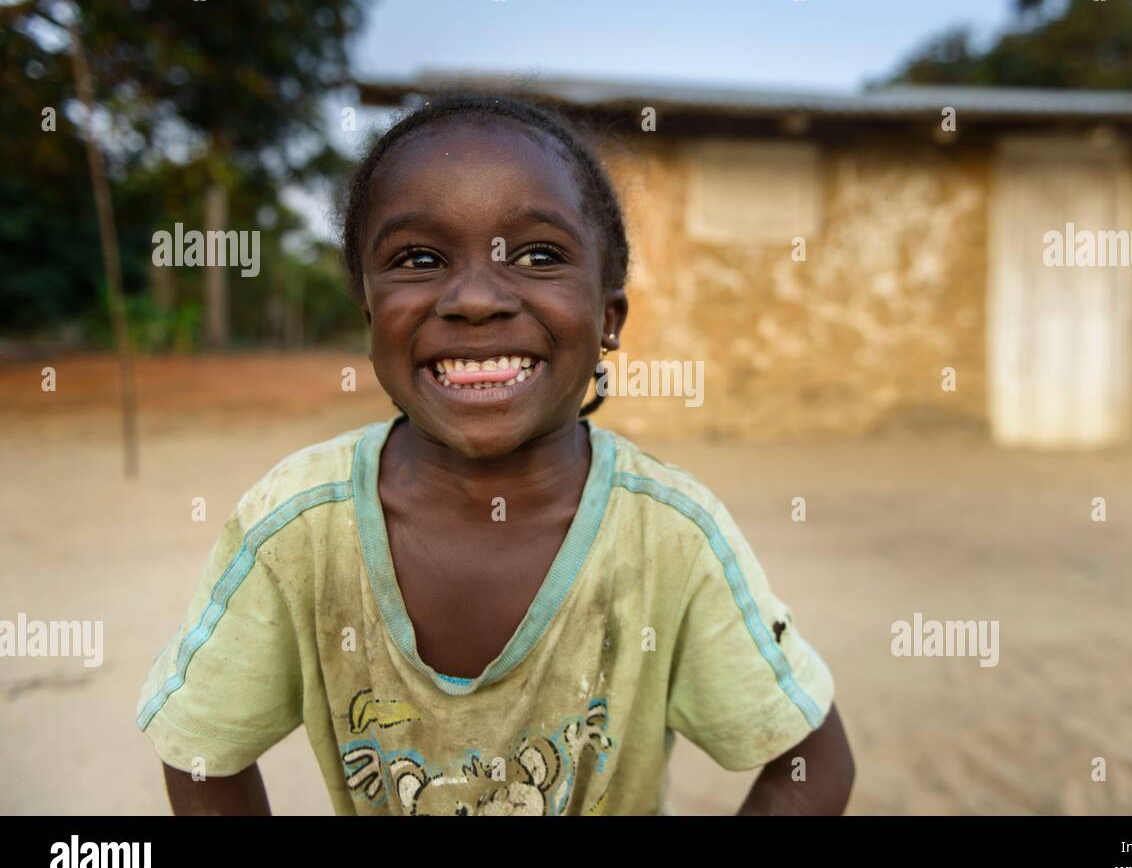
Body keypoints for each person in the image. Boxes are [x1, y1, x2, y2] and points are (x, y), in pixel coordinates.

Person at [137, 93, 854, 815]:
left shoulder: (671, 535)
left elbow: (812, 761)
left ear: (608, 318)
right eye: (420, 259)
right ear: (370, 315)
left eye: (539, 255)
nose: (476, 298)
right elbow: (201, 756)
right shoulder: (296, 526)